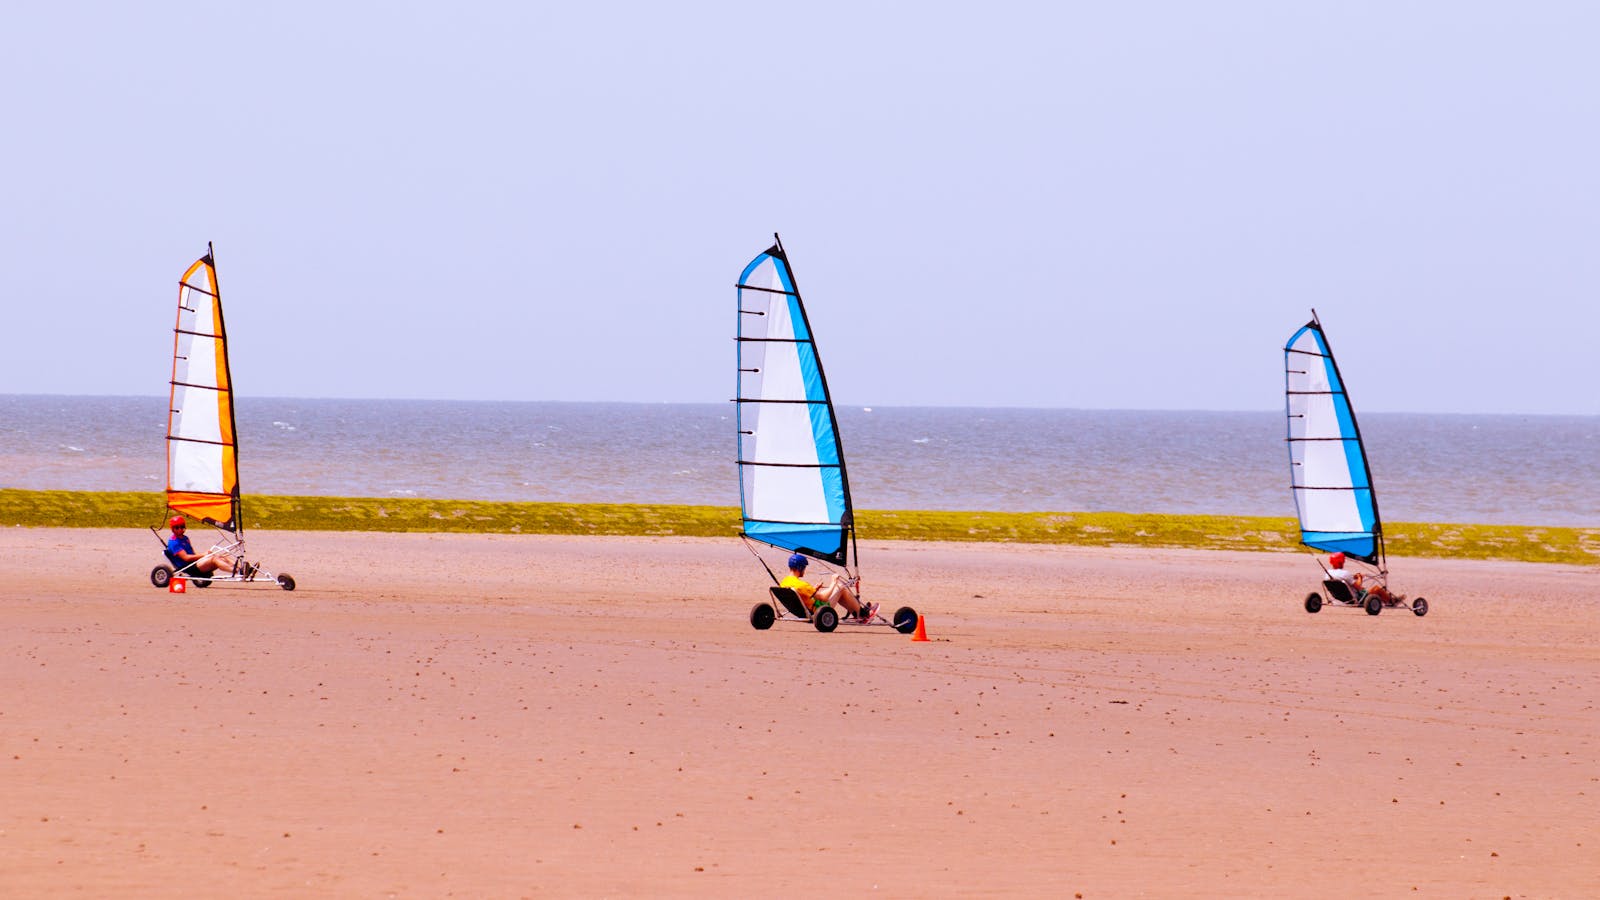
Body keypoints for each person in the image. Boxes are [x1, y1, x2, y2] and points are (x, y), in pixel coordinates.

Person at [778, 553, 879, 623]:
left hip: (803, 609)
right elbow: (824, 598)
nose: (805, 570)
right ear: (800, 568)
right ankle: (863, 614)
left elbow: (802, 595)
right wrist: (833, 582)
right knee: (841, 587)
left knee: (837, 589)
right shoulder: (801, 585)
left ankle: (857, 612)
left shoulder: (784, 582)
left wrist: (815, 589)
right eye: (804, 568)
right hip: (818, 611)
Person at [164, 516, 249, 579]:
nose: (180, 529)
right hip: (189, 567)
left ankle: (242, 568)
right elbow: (186, 558)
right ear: (172, 529)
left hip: (195, 563)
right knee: (214, 559)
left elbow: (192, 554)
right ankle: (239, 572)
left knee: (222, 556)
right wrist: (203, 555)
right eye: (177, 527)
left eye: (182, 527)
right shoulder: (174, 543)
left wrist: (204, 556)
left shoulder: (185, 538)